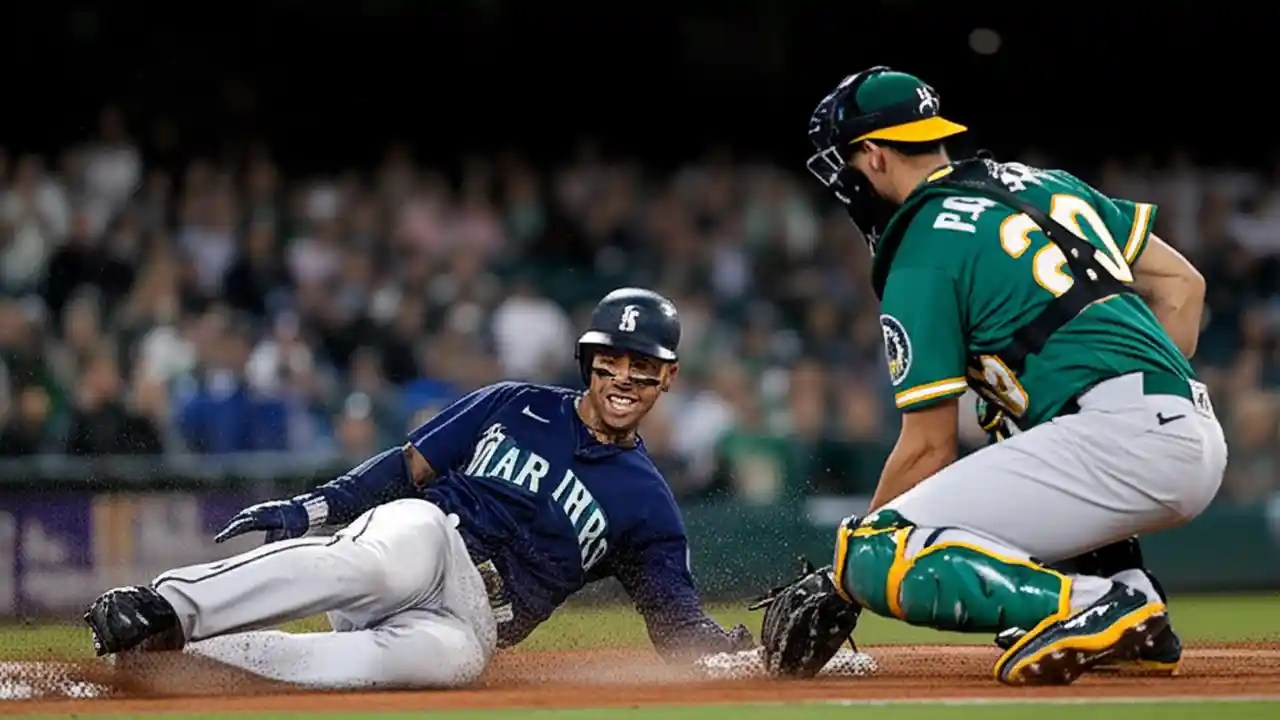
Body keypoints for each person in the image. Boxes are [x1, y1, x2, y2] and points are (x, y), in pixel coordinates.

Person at [755, 66, 1226, 686]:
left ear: (871, 156)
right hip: (1190, 425)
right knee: (1007, 414)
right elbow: (1182, 286)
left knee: (873, 550)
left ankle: (1097, 605)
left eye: (844, 165)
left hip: (1124, 438)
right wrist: (1137, 394)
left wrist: (845, 577)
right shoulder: (1043, 183)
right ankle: (1128, 596)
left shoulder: (919, 245)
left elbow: (928, 448)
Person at [84, 287, 753, 689]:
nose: (624, 378)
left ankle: (190, 664)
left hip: (468, 624)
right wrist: (314, 506)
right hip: (427, 540)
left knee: (430, 664)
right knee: (385, 554)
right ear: (588, 361)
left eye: (645, 366)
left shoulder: (648, 505)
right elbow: (407, 469)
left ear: (667, 378)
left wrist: (736, 654)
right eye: (612, 359)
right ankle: (164, 605)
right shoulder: (514, 404)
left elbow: (676, 625)